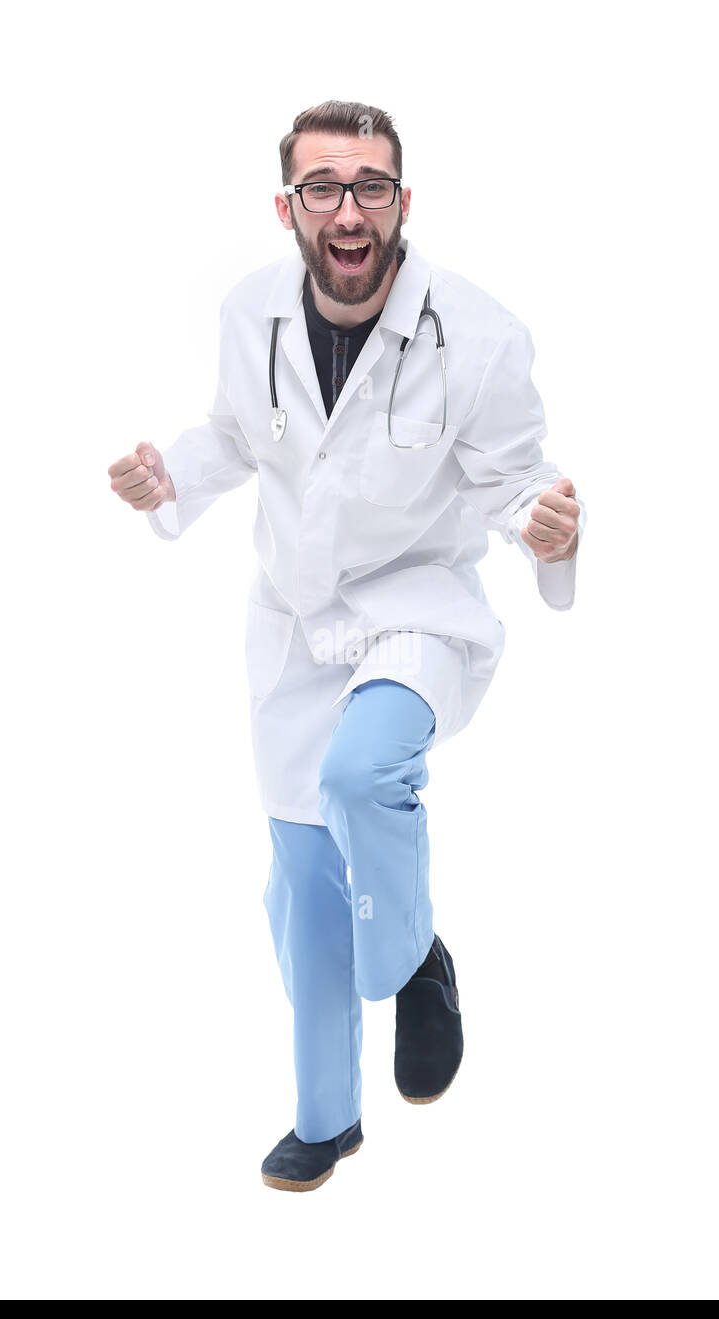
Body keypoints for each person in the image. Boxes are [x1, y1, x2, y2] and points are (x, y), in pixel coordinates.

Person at [108, 101, 586, 1192]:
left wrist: (544, 525)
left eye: (370, 185)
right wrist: (167, 477)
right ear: (289, 208)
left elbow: (518, 480)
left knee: (362, 773)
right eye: (322, 187)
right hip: (289, 623)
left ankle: (415, 956)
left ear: (401, 204)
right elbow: (235, 434)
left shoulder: (479, 332)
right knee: (304, 892)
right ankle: (324, 1120)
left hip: (415, 608)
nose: (348, 208)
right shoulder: (248, 313)